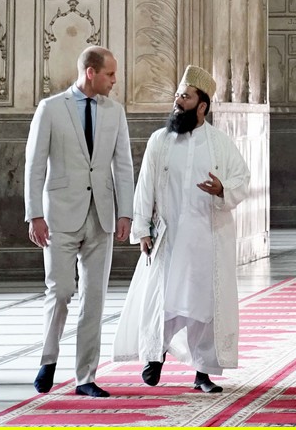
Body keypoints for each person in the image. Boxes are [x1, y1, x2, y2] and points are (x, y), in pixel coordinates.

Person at [113, 65, 251, 394]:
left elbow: (242, 180)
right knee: (162, 299)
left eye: (185, 97)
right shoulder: (160, 141)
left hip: (208, 239)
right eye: (177, 95)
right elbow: (145, 187)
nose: (178, 101)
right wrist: (143, 229)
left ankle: (202, 372)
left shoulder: (219, 144)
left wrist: (221, 190)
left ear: (202, 106)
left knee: (203, 306)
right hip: (168, 237)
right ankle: (154, 356)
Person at [25, 45, 134, 397]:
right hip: (59, 215)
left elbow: (123, 164)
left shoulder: (115, 112)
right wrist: (34, 214)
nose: (114, 81)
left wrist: (125, 212)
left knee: (95, 297)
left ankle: (86, 377)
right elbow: (35, 164)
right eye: (110, 74)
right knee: (60, 292)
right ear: (90, 72)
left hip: (101, 216)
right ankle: (48, 359)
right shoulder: (51, 109)